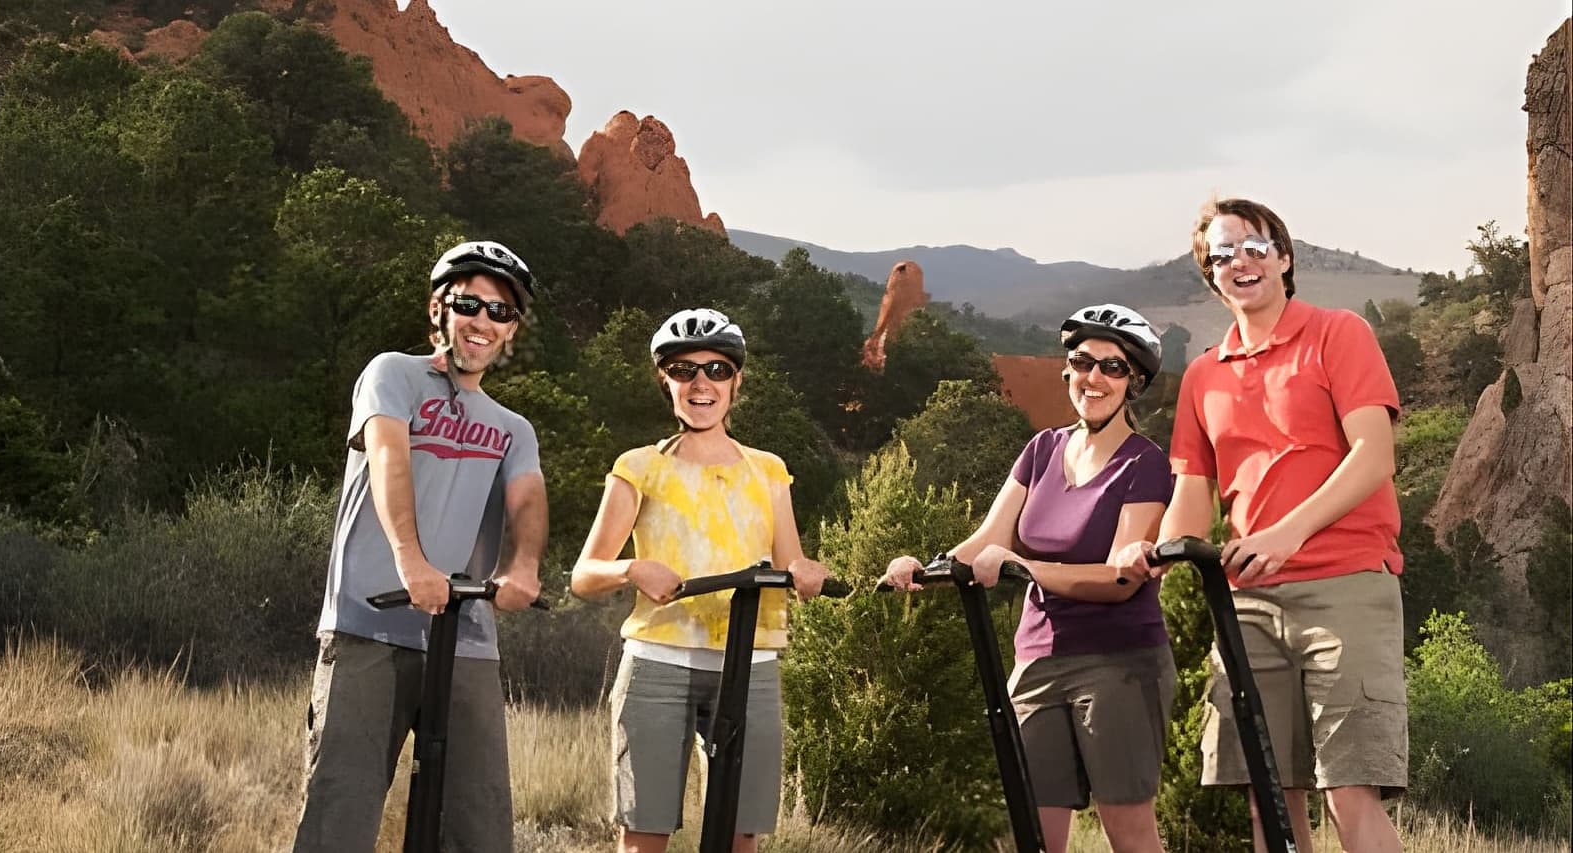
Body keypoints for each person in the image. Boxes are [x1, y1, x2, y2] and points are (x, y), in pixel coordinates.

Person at [1113, 197, 1406, 853]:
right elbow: (1195, 494)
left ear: (1284, 257)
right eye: (1222, 254)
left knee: (1349, 789)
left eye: (1253, 246)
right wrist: (1157, 549)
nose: (1239, 260)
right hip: (1245, 600)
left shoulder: (1339, 333)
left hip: (1347, 584)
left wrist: (1286, 533)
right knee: (1268, 796)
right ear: (1212, 276)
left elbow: (1375, 455)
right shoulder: (1202, 378)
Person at [883, 304, 1175, 853]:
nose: (1094, 378)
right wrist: (925, 566)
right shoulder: (1041, 450)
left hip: (1119, 665)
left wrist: (1025, 568)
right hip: (1037, 661)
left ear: (1134, 382)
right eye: (1083, 362)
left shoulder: (1144, 464)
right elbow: (988, 541)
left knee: (1128, 830)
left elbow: (1120, 578)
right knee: (1031, 831)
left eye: (1112, 368)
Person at [292, 240, 548, 853]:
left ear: (512, 331)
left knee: (477, 827)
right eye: (469, 304)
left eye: (500, 312)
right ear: (439, 308)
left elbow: (529, 500)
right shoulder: (393, 375)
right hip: (369, 625)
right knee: (340, 817)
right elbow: (387, 457)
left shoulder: (514, 428)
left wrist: (525, 565)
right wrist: (411, 560)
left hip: (465, 639)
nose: (483, 321)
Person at [570, 308, 829, 853]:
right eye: (684, 370)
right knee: (645, 832)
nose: (701, 383)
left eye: (716, 369)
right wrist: (632, 568)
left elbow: (792, 563)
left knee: (740, 835)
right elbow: (584, 575)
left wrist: (807, 571)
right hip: (658, 662)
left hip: (750, 664)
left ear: (737, 380)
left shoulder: (768, 469)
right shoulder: (639, 466)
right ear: (663, 379)